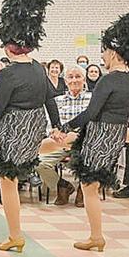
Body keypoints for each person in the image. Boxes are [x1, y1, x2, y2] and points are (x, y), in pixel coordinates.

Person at [61, 0, 129, 252]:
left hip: (99, 137)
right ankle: (95, 235)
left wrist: (66, 126)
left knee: (89, 188)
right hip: (117, 137)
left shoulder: (107, 81)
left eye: (104, 51)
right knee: (93, 187)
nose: (101, 56)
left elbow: (91, 113)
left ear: (113, 52)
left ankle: (96, 236)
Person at [0, 0, 59, 253]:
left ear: (8, 47)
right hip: (34, 127)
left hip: (12, 130)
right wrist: (56, 125)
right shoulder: (38, 69)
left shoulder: (8, 73)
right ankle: (15, 233)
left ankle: (15, 234)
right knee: (14, 179)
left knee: (7, 184)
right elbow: (49, 99)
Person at [37, 65, 89, 206]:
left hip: (85, 144)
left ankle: (83, 190)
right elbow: (49, 124)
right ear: (65, 81)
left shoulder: (93, 99)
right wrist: (55, 133)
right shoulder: (56, 101)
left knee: (92, 160)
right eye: (70, 77)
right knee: (39, 164)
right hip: (61, 143)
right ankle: (63, 186)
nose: (74, 80)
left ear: (84, 79)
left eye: (78, 76)